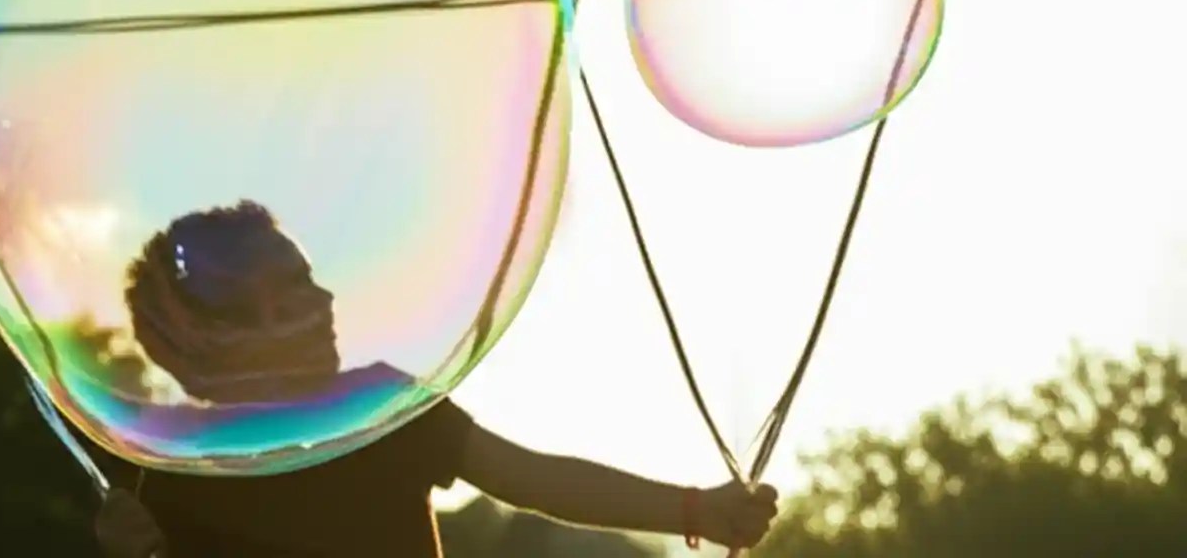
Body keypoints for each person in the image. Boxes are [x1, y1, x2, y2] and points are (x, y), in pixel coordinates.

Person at [91, 201, 778, 557]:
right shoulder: (170, 472)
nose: (328, 298)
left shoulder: (377, 408)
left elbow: (533, 478)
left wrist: (693, 510)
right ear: (232, 327)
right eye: (297, 287)